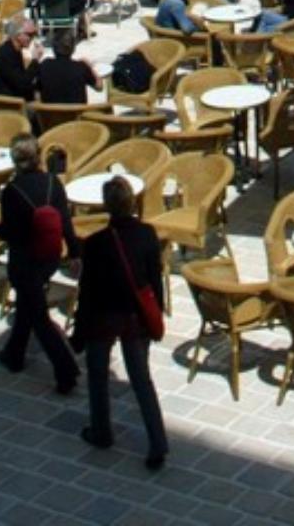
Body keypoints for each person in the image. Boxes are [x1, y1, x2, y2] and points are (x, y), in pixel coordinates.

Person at [73, 174, 168, 469]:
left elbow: (87, 290)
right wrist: (157, 313)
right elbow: (155, 279)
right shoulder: (148, 234)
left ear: (106, 207)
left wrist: (79, 330)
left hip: (105, 314)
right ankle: (158, 443)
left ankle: (101, 431)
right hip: (137, 316)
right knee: (142, 381)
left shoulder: (96, 243)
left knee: (97, 374)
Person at [0, 132, 79, 393]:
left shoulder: (12, 192)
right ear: (39, 156)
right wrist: (75, 253)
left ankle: (66, 371)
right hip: (48, 258)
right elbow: (67, 225)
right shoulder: (53, 183)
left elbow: (11, 236)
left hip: (24, 262)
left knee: (39, 318)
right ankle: (13, 355)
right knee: (27, 306)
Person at [0, 13, 41, 105]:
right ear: (17, 35)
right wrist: (35, 60)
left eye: (34, 34)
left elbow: (20, 79)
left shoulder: (14, 49)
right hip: (6, 106)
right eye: (30, 35)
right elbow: (22, 84)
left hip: (12, 97)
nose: (32, 38)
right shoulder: (6, 55)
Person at [36, 28, 102, 104]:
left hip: (49, 115)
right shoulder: (81, 67)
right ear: (73, 49)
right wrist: (90, 66)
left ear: (53, 48)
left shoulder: (45, 65)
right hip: (77, 115)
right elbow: (99, 87)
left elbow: (36, 89)